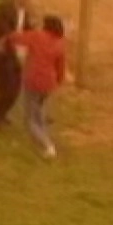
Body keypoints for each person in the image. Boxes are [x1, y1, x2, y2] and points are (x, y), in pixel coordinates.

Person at [7, 15, 68, 158]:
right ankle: (45, 138)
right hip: (49, 84)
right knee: (39, 112)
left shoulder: (37, 36)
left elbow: (19, 38)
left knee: (29, 120)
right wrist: (58, 82)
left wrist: (6, 37)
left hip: (33, 81)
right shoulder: (60, 44)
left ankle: (47, 146)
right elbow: (61, 69)